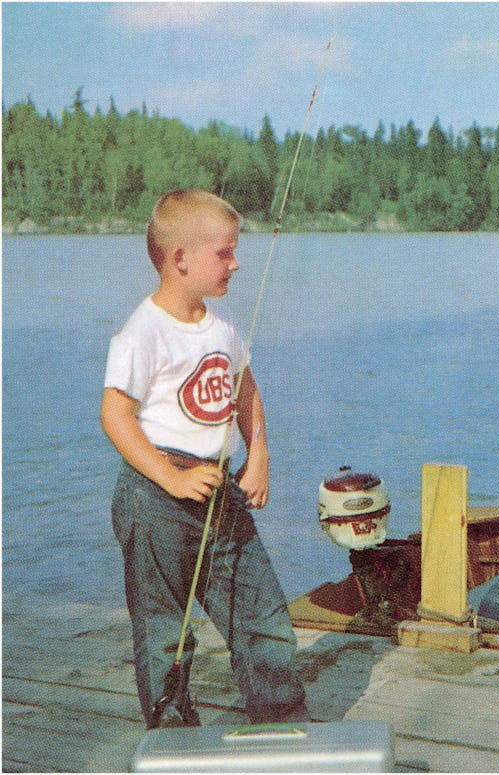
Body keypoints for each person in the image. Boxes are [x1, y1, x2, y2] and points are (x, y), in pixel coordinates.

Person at [101, 189, 308, 728]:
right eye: (225, 252)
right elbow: (116, 416)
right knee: (164, 630)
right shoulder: (142, 332)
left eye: (235, 251)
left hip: (221, 494)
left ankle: (280, 722)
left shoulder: (223, 329)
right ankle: (171, 734)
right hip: (156, 497)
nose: (236, 263)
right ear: (180, 259)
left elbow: (246, 391)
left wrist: (258, 452)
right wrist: (170, 477)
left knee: (263, 618)